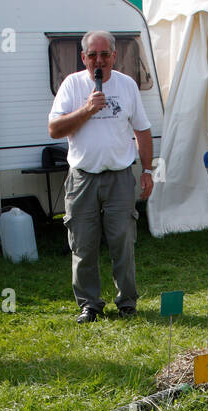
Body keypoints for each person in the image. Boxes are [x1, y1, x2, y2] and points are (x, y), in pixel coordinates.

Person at [48, 31, 153, 324]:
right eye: (92, 55)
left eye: (104, 54)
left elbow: (142, 131)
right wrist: (87, 108)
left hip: (120, 177)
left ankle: (127, 303)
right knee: (83, 245)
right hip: (82, 179)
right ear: (83, 58)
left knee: (123, 241)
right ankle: (90, 305)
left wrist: (146, 170)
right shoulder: (72, 85)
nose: (99, 60)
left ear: (114, 56)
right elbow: (55, 129)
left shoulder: (127, 85)